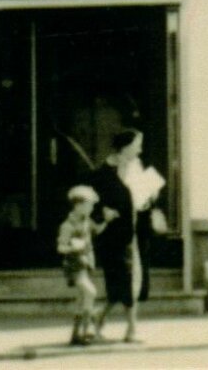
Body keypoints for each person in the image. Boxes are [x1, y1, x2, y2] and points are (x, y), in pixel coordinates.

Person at [89, 128, 158, 344]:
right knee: (126, 281)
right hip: (113, 236)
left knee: (126, 282)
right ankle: (131, 330)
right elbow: (90, 202)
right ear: (125, 147)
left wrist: (150, 197)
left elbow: (140, 200)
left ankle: (101, 317)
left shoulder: (135, 167)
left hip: (135, 234)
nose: (140, 150)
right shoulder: (103, 173)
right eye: (137, 145)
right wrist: (102, 212)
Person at [56, 185, 105, 346]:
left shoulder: (86, 221)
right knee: (91, 292)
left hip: (85, 264)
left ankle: (76, 334)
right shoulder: (67, 225)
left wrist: (107, 220)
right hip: (74, 265)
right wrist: (74, 247)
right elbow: (61, 247)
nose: (92, 208)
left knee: (82, 299)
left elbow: (97, 230)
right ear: (78, 205)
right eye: (89, 205)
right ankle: (88, 327)